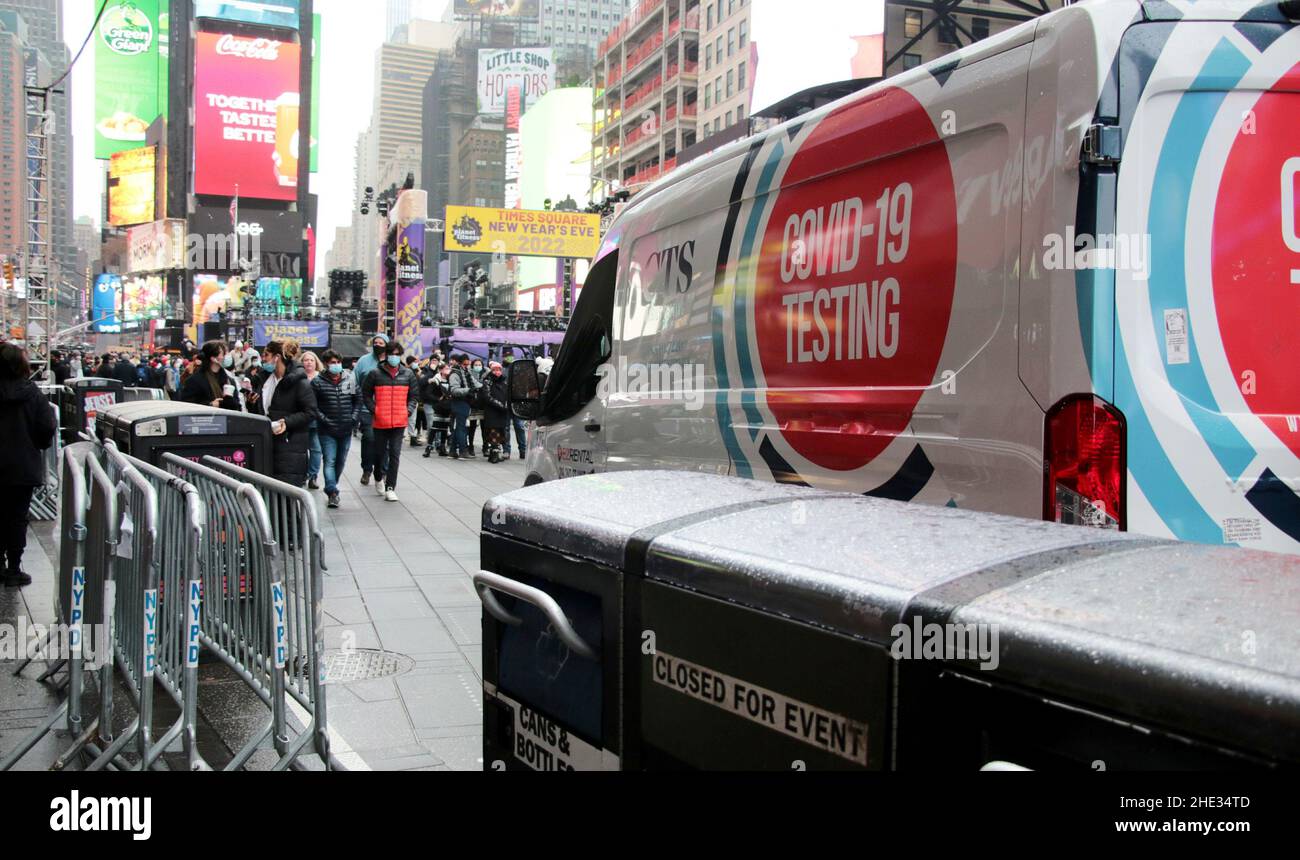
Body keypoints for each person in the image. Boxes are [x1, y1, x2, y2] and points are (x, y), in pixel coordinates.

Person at [0, 344, 57, 587]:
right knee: (16, 518)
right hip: (22, 466)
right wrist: (36, 444)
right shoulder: (32, 393)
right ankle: (14, 568)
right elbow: (47, 427)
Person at [361, 341, 417, 502]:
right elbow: (365, 394)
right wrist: (375, 410)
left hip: (399, 422)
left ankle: (390, 487)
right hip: (380, 421)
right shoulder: (375, 374)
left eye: (397, 354)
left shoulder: (408, 374)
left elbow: (414, 396)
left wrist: (408, 410)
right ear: (386, 355)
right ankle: (378, 476)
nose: (394, 357)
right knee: (379, 454)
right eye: (391, 354)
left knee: (395, 454)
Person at [261, 340, 320, 488]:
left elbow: (310, 412)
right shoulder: (265, 379)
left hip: (290, 446)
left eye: (266, 355)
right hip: (265, 444)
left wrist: (286, 422)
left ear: (277, 357)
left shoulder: (299, 382)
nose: (263, 359)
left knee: (287, 496)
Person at [312, 350, 360, 509]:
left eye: (337, 362)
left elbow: (357, 401)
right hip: (326, 430)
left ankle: (332, 484)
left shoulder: (349, 379)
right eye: (332, 363)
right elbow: (313, 406)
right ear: (326, 364)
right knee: (330, 460)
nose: (336, 365)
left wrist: (353, 418)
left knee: (340, 461)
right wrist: (325, 420)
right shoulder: (318, 382)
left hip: (346, 428)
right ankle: (332, 492)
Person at [354, 334, 389, 487]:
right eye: (375, 342)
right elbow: (354, 381)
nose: (378, 345)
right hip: (367, 408)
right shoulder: (363, 361)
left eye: (381, 343)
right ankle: (367, 469)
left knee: (385, 441)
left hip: (387, 408)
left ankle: (383, 470)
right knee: (369, 438)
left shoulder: (391, 361)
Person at [179, 341, 244, 411]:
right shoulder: (194, 381)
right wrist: (210, 405)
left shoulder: (230, 380)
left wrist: (231, 402)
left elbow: (238, 408)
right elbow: (186, 407)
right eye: (224, 354)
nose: (227, 357)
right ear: (213, 358)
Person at [447, 354, 482, 460]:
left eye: (468, 364)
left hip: (465, 402)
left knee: (459, 427)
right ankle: (463, 451)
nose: (466, 366)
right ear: (459, 363)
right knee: (461, 428)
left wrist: (484, 386)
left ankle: (452, 452)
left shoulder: (467, 372)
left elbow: (476, 383)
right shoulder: (455, 374)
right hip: (459, 402)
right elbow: (454, 390)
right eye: (464, 364)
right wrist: (468, 390)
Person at [300, 351, 324, 490]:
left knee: (316, 449)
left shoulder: (321, 378)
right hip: (301, 418)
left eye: (311, 360)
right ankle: (303, 474)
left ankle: (312, 476)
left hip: (317, 419)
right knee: (302, 449)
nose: (308, 362)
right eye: (306, 360)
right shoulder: (298, 378)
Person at [481, 362, 511, 463]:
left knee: (501, 431)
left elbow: (508, 394)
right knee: (493, 431)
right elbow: (487, 396)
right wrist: (500, 405)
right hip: (492, 411)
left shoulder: (504, 381)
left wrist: (506, 404)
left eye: (499, 370)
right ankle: (493, 454)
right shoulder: (487, 381)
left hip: (502, 411)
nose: (497, 372)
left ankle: (496, 453)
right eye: (495, 370)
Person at [422, 361, 452, 458]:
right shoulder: (435, 380)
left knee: (444, 428)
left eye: (449, 368)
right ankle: (429, 447)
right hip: (438, 407)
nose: (448, 370)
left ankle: (442, 447)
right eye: (446, 368)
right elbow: (428, 393)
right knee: (434, 427)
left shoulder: (451, 380)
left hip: (447, 407)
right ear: (441, 370)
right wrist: (437, 399)